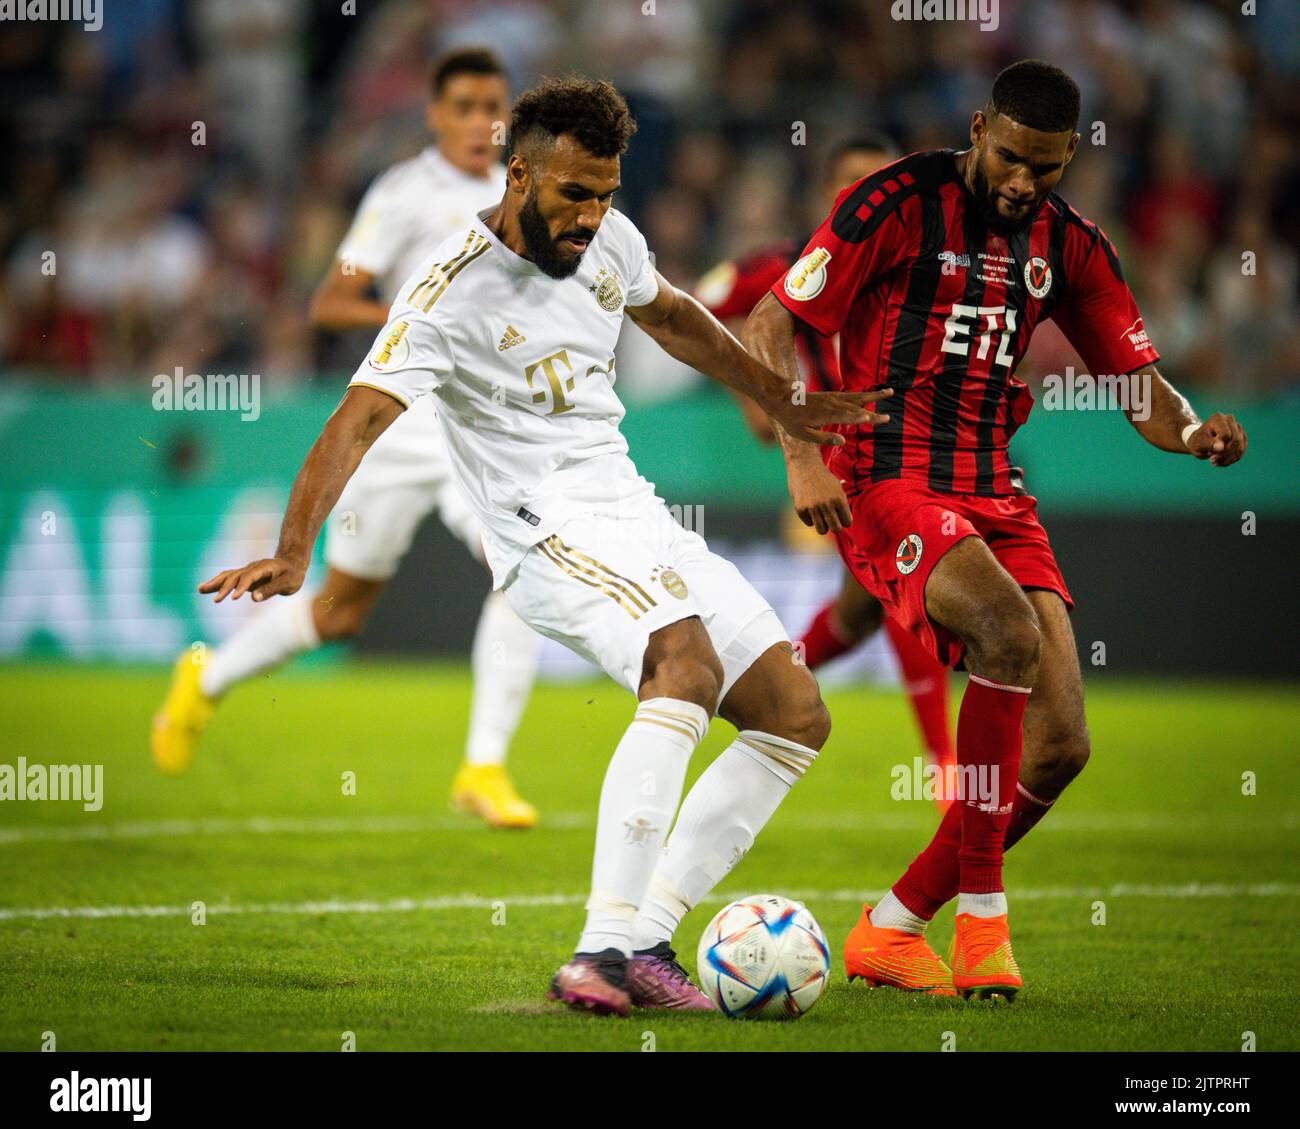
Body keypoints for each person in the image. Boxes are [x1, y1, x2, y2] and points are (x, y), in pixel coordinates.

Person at [197, 77, 886, 1016]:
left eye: (605, 192)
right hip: (541, 532)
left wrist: (785, 401)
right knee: (680, 664)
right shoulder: (448, 287)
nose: (592, 215)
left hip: (631, 510)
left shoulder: (612, 238)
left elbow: (679, 319)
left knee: (793, 713)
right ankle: (599, 953)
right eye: (573, 194)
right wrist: (294, 547)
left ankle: (647, 940)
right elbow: (356, 419)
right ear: (519, 173)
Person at [744, 59, 1247, 999]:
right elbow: (773, 321)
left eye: (1046, 169)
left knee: (1062, 748)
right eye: (1012, 158)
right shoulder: (893, 201)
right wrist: (801, 451)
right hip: (886, 472)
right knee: (1006, 630)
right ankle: (983, 921)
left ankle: (891, 926)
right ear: (978, 128)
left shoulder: (1072, 244)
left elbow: (1138, 387)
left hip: (993, 487)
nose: (1024, 183)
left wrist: (1192, 432)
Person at [152, 49, 544, 829]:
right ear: (433, 114)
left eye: (491, 107)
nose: (478, 122)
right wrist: (420, 327)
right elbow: (330, 303)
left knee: (523, 573)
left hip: (479, 428)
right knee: (338, 613)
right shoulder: (403, 193)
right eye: (462, 106)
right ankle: (206, 677)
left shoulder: (527, 196)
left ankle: (483, 764)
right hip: (398, 426)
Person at [697, 133, 956, 806]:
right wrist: (751, 390)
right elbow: (697, 307)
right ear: (826, 197)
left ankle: (755, 690)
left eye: (883, 181)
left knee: (861, 609)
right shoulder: (790, 267)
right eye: (852, 182)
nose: (869, 195)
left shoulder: (934, 269)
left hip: (921, 448)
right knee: (908, 574)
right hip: (846, 457)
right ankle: (946, 764)